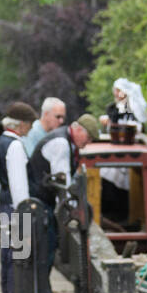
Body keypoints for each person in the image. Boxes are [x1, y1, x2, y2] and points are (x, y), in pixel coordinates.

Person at [27, 117, 96, 280]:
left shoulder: (66, 141)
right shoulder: (61, 144)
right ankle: (41, 291)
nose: (88, 143)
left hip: (44, 201)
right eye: (89, 138)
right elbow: (62, 183)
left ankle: (41, 290)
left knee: (46, 251)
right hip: (39, 203)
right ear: (79, 130)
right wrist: (72, 212)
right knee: (46, 249)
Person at [0, 101, 37, 293]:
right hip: (15, 206)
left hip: (4, 203)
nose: (30, 128)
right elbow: (19, 184)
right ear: (20, 125)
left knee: (7, 254)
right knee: (17, 255)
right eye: (28, 123)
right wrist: (25, 212)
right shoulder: (16, 146)